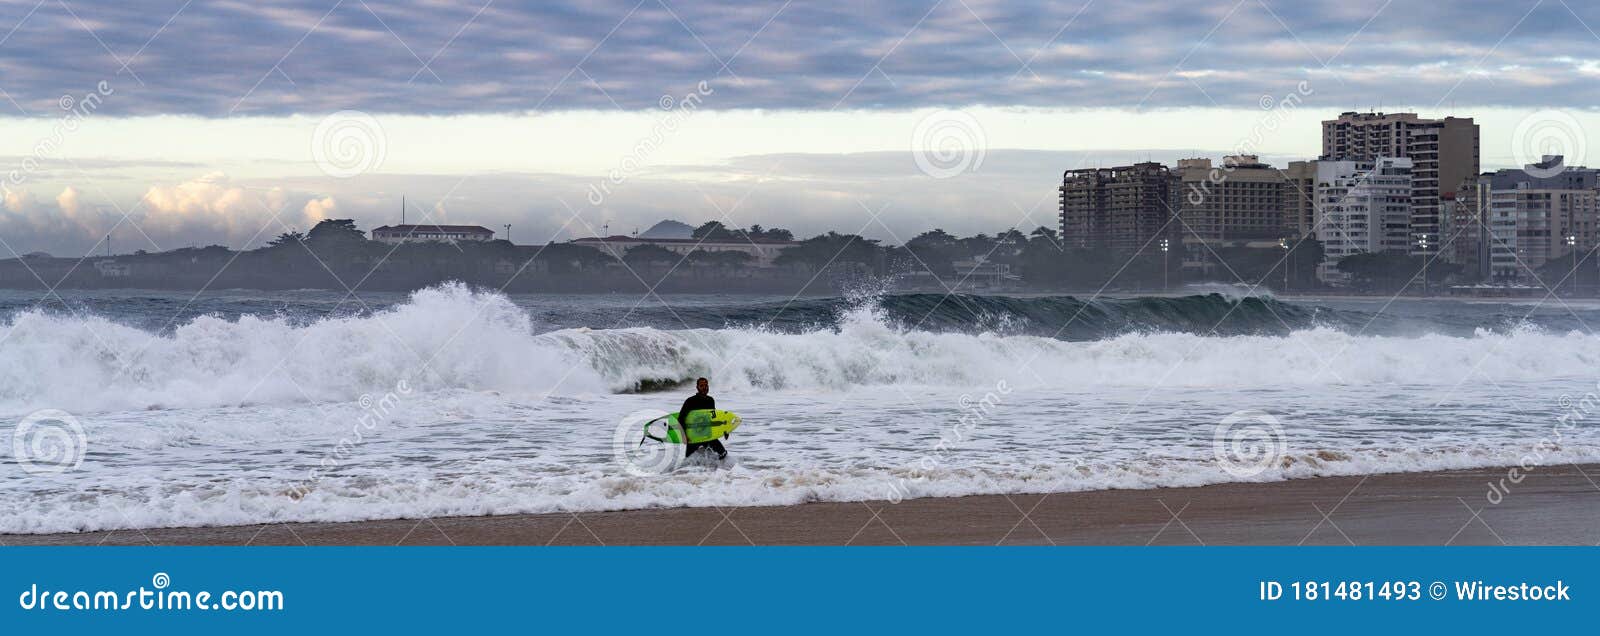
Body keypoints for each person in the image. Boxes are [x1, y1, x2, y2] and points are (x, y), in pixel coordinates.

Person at [678, 377, 726, 460]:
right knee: (688, 460)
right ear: (697, 387)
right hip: (694, 436)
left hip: (708, 435)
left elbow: (713, 418)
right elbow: (681, 419)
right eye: (702, 385)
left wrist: (724, 430)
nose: (705, 387)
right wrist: (685, 436)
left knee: (723, 454)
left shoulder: (710, 400)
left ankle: (717, 472)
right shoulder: (690, 401)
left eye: (706, 385)